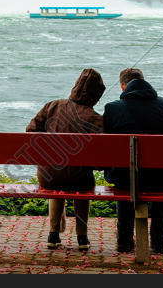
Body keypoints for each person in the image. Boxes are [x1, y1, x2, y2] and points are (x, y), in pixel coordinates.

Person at [103, 67, 163, 255]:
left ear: (124, 87)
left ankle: (124, 242)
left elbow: (107, 150)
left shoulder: (112, 109)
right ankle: (158, 242)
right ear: (144, 82)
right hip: (161, 179)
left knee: (124, 176)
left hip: (125, 179)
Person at [25, 68, 105, 250]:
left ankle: (53, 233)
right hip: (80, 179)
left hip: (49, 176)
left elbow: (30, 132)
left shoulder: (52, 106)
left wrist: (48, 155)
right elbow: (101, 159)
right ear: (96, 95)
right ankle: (82, 237)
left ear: (75, 86)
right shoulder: (96, 119)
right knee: (82, 182)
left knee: (56, 176)